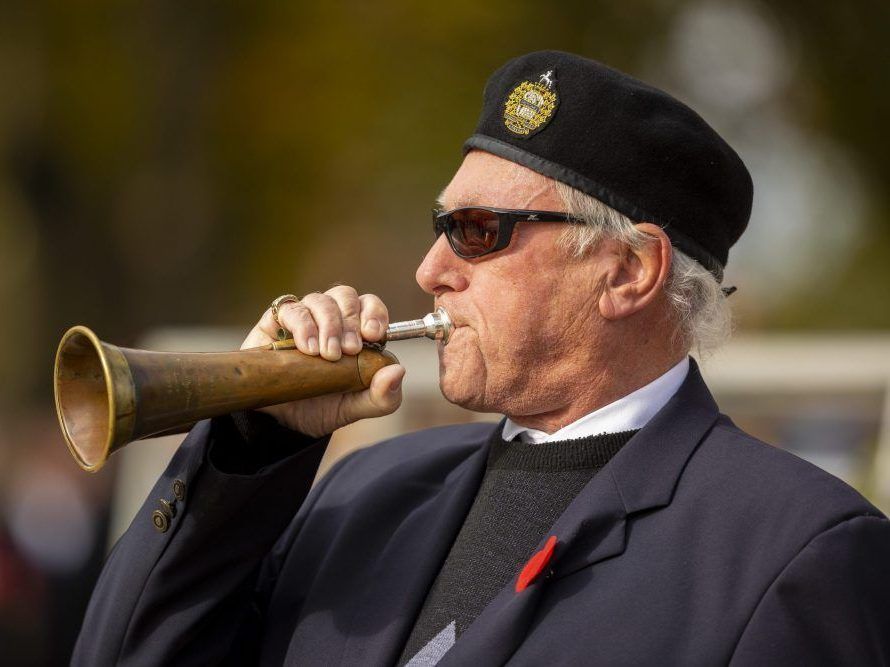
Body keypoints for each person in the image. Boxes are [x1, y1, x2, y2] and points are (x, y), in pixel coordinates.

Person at [72, 51, 890, 666]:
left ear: (628, 271)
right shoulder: (367, 489)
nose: (430, 269)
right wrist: (253, 450)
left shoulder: (798, 548)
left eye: (476, 231)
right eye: (441, 228)